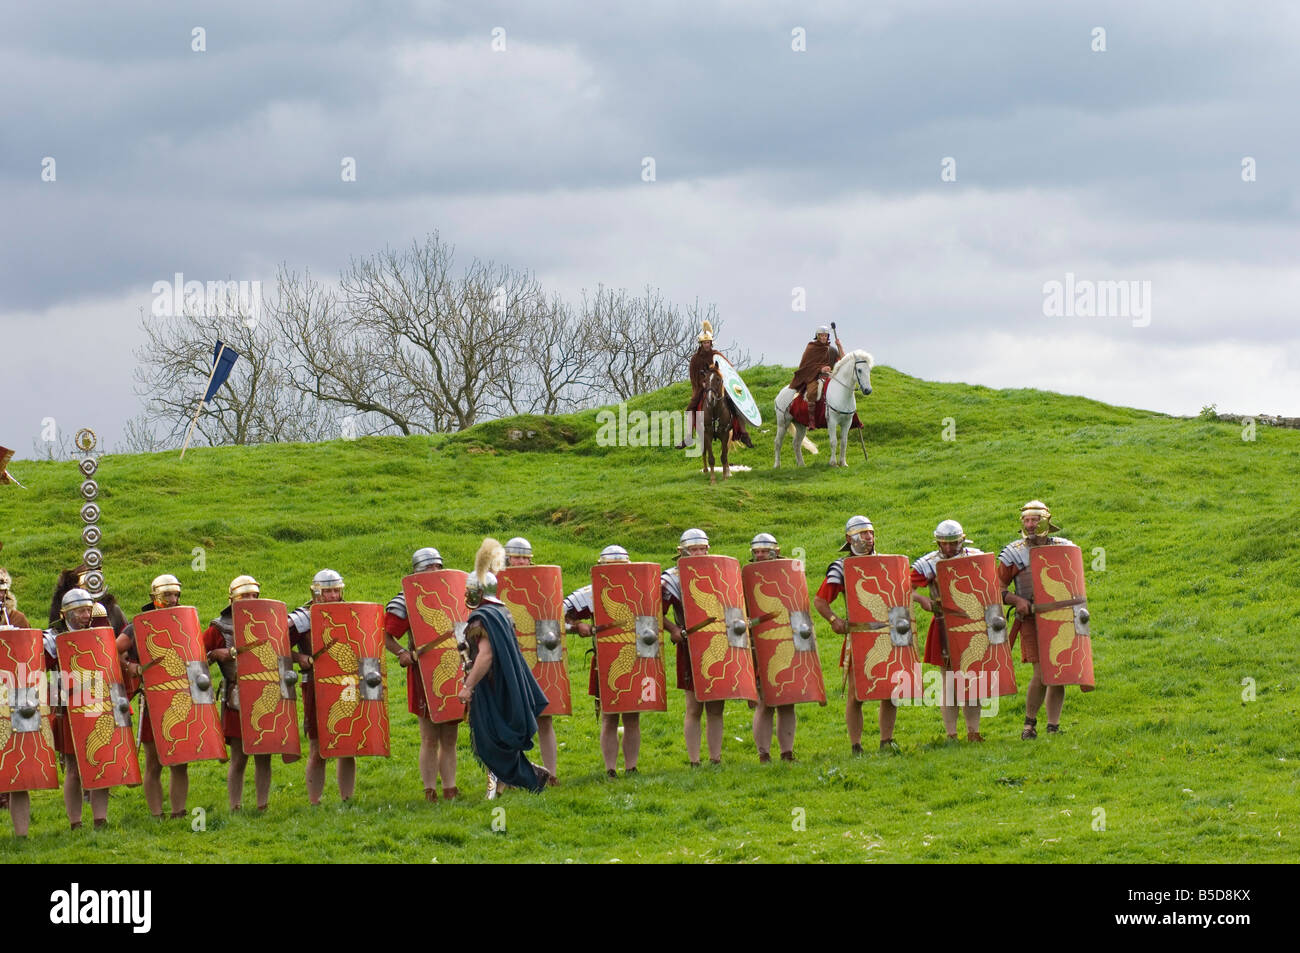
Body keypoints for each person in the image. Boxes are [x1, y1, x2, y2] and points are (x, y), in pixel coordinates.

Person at [456, 539, 550, 795]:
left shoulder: (482, 617)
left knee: (491, 740)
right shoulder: (502, 612)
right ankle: (515, 782)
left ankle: (530, 778)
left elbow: (485, 656)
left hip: (492, 685)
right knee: (501, 737)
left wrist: (468, 686)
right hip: (507, 683)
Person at [117, 574, 206, 818]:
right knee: (154, 762)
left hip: (180, 698)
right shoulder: (138, 626)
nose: (173, 599)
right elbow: (111, 651)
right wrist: (130, 667)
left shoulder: (185, 621)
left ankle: (179, 811)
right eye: (167, 594)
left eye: (176, 594)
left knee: (180, 760)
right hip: (154, 701)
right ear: (155, 596)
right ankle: (157, 814)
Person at [812, 516, 899, 754]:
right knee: (857, 694)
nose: (869, 539)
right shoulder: (842, 567)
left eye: (871, 533)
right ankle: (856, 745)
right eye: (863, 534)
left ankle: (886, 741)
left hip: (887, 634)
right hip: (859, 636)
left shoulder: (886, 563)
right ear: (850, 539)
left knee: (890, 689)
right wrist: (834, 620)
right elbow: (820, 601)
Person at [384, 547, 461, 802]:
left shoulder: (454, 593)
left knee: (450, 736)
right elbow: (385, 634)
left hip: (451, 667)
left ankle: (450, 787)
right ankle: (430, 789)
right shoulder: (407, 599)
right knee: (429, 737)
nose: (435, 572)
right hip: (423, 672)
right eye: (429, 567)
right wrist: (401, 653)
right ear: (417, 571)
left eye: (438, 567)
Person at [998, 500, 1074, 739]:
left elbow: (1074, 582)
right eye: (1026, 520)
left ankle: (1053, 726)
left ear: (1046, 521)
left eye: (1034, 520)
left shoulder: (1064, 547)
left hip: (1059, 618)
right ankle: (1029, 725)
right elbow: (996, 587)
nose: (1030, 525)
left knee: (1058, 672)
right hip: (1030, 619)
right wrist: (1016, 600)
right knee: (1042, 673)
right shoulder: (1014, 552)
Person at [564, 544, 641, 778]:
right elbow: (559, 614)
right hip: (605, 657)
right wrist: (578, 626)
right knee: (609, 717)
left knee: (632, 716)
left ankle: (631, 767)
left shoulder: (638, 588)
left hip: (632, 654)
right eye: (611, 566)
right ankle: (609, 769)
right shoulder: (592, 591)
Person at [202, 575, 277, 810]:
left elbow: (281, 653)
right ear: (233, 599)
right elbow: (195, 659)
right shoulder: (220, 627)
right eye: (245, 595)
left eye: (254, 595)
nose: (251, 599)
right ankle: (235, 805)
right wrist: (215, 654)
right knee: (239, 755)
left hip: (265, 692)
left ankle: (262, 805)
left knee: (264, 754)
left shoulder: (269, 621)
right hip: (236, 695)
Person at [911, 520, 987, 742]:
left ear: (962, 540)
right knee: (950, 681)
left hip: (973, 623)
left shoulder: (974, 557)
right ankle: (951, 734)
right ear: (938, 543)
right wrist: (921, 598)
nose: (950, 548)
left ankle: (974, 731)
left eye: (953, 543)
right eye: (945, 544)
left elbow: (989, 583)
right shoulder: (928, 563)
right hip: (944, 624)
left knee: (973, 678)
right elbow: (903, 588)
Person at [44, 588, 112, 828]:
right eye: (81, 611)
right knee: (72, 766)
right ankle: (76, 821)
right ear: (67, 614)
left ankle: (100, 819)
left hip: (98, 705)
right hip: (69, 708)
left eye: (88, 610)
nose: (86, 615)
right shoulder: (53, 637)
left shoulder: (98, 634)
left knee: (100, 759)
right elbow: (41, 665)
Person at [288, 569, 355, 805]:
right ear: (317, 592)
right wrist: (300, 659)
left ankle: (348, 799)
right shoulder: (302, 618)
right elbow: (278, 644)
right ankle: (314, 801)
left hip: (347, 684)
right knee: (318, 746)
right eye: (328, 592)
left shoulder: (351, 614)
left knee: (348, 742)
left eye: (337, 590)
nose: (334, 596)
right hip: (315, 687)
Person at [662, 528, 726, 766]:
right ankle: (694, 760)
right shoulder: (672, 579)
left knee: (716, 706)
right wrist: (673, 629)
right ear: (683, 552)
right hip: (690, 646)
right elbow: (656, 613)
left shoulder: (720, 572)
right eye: (694, 549)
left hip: (717, 642)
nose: (699, 552)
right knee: (694, 706)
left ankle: (716, 758)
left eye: (702, 548)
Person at [746, 533, 800, 762]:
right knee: (764, 701)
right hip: (759, 644)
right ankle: (763, 754)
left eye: (764, 551)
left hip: (787, 640)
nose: (760, 555)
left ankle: (787, 752)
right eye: (756, 551)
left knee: (787, 699)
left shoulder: (790, 572)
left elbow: (799, 605)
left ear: (775, 551)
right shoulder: (744, 577)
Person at [678, 321, 753, 449]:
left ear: (711, 343)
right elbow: (693, 376)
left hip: (718, 386)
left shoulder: (716, 355)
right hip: (702, 388)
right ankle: (689, 437)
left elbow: (728, 369)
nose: (706, 345)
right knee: (691, 408)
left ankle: (744, 434)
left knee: (735, 404)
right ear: (701, 344)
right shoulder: (695, 359)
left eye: (708, 342)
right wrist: (701, 384)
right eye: (704, 343)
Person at [788, 324, 845, 427]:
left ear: (828, 337)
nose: (823, 337)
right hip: (813, 376)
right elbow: (806, 365)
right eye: (821, 335)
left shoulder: (831, 349)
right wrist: (820, 368)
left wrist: (839, 346)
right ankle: (811, 421)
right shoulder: (811, 347)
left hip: (829, 376)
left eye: (825, 335)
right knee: (812, 392)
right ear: (817, 336)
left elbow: (844, 359)